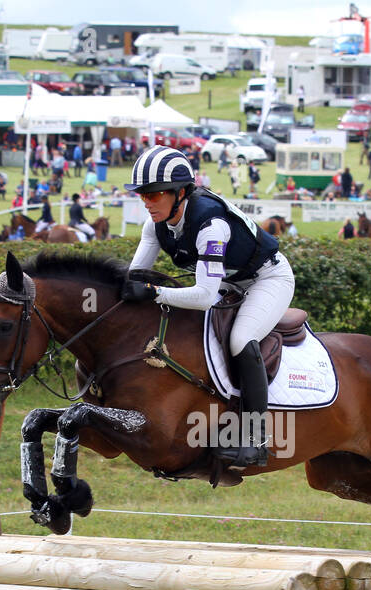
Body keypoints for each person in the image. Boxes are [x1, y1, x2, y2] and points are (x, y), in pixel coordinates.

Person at [121, 146, 292, 469]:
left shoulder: (210, 225)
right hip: (228, 283)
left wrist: (155, 292)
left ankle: (255, 439)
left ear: (180, 193)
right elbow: (134, 278)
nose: (147, 202)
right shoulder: (154, 224)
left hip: (267, 279)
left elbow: (201, 297)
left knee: (241, 338)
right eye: (142, 195)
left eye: (154, 195)